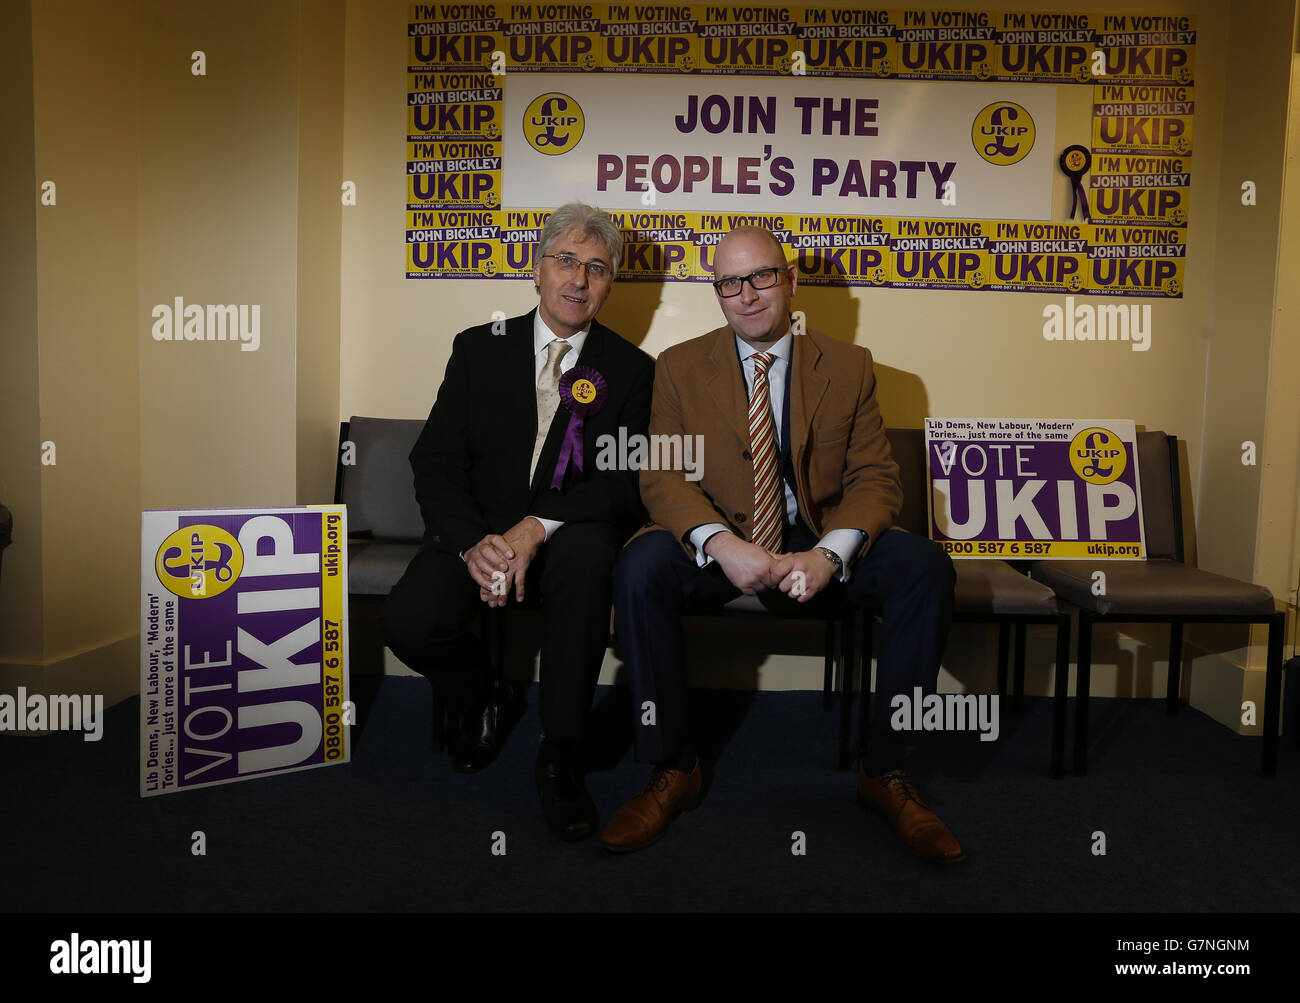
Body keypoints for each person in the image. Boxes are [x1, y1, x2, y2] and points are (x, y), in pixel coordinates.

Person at [602, 226, 962, 862]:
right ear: (718, 293)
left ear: (790, 280)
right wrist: (720, 543)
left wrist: (829, 556)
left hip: (815, 538)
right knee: (640, 565)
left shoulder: (850, 366)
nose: (746, 295)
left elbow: (876, 480)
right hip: (722, 542)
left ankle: (885, 770)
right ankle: (672, 768)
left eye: (762, 276)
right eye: (729, 283)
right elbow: (661, 474)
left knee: (925, 567)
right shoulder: (680, 367)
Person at [384, 203, 654, 840]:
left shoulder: (634, 371)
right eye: (565, 260)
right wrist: (471, 542)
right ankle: (485, 695)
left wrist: (537, 526)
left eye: (596, 267)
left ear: (610, 282)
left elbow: (624, 485)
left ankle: (561, 755)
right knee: (409, 621)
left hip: (568, 536)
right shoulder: (480, 348)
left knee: (590, 565)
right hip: (473, 531)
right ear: (536, 269)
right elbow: (436, 461)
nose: (578, 279)